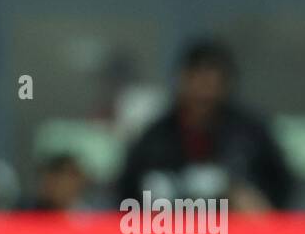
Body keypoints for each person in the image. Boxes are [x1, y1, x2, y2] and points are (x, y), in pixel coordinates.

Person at [116, 39, 294, 210]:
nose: (203, 93)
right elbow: (126, 196)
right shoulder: (155, 138)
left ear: (225, 85)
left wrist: (243, 197)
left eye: (211, 84)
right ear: (182, 81)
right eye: (196, 81)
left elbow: (282, 190)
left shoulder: (251, 136)